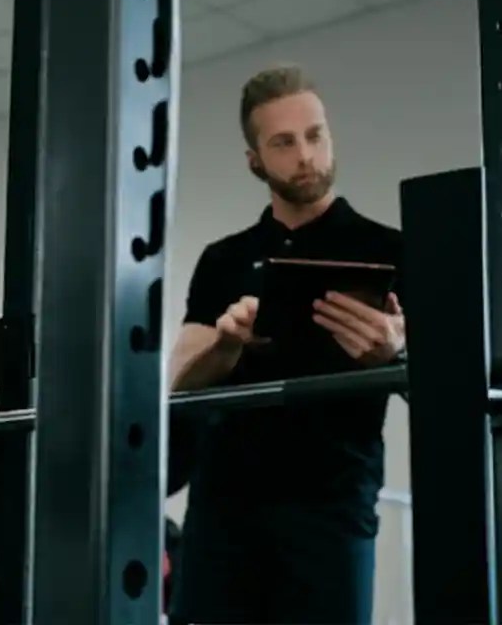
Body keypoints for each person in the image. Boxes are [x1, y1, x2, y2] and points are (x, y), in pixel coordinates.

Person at [166, 63, 406, 625]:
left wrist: (393, 357)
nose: (305, 154)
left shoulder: (389, 250)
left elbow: (442, 380)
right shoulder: (223, 260)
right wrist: (227, 345)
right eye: (283, 142)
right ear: (255, 161)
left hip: (332, 504)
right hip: (225, 509)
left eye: (315, 135)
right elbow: (181, 385)